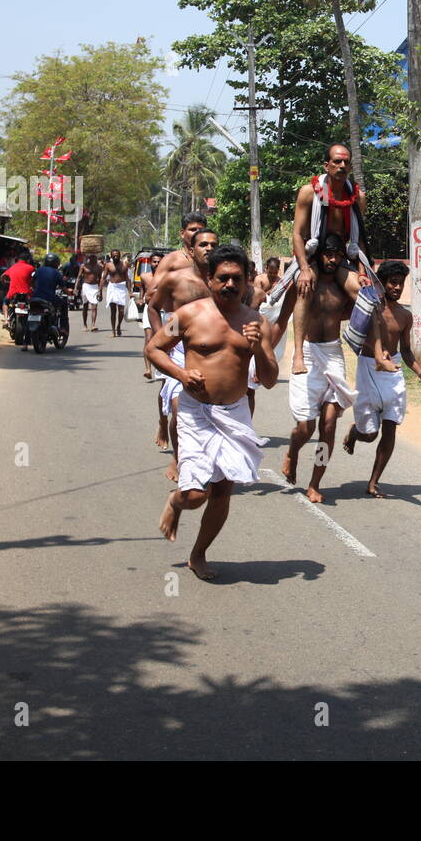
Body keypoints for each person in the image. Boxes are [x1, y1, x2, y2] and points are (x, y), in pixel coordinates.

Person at [146, 244, 278, 581]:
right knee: (196, 494)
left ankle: (198, 554)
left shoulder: (255, 322)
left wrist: (257, 349)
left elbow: (271, 378)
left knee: (222, 490)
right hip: (195, 412)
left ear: (247, 281)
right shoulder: (188, 315)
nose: (230, 285)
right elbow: (155, 349)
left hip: (234, 414)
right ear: (210, 278)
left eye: (237, 279)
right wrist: (180, 374)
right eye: (223, 279)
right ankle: (177, 502)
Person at [270, 144, 372, 376]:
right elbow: (297, 234)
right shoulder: (309, 192)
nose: (342, 166)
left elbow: (360, 239)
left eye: (346, 162)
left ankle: (368, 351)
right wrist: (304, 268)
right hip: (312, 255)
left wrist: (363, 270)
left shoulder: (357, 197)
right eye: (337, 161)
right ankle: (296, 355)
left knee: (366, 295)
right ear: (326, 165)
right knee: (300, 292)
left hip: (341, 256)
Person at [342, 260, 421, 497]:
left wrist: (420, 370)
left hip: (393, 371)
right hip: (369, 368)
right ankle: (355, 433)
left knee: (391, 427)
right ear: (382, 283)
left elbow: (406, 351)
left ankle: (374, 481)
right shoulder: (369, 306)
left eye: (401, 283)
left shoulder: (405, 316)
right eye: (393, 282)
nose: (397, 288)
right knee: (370, 434)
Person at [282, 232, 358, 504]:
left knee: (328, 425)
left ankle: (315, 483)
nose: (332, 259)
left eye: (337, 255)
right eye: (328, 254)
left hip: (333, 352)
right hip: (308, 352)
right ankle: (293, 450)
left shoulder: (342, 285)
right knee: (306, 428)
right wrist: (298, 355)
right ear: (319, 254)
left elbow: (354, 308)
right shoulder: (308, 281)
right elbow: (297, 314)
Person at [145, 223, 218, 473]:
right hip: (177, 344)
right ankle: (177, 456)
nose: (209, 249)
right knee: (177, 405)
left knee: (209, 407)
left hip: (211, 350)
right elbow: (152, 305)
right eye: (203, 244)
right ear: (191, 249)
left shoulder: (223, 280)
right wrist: (160, 340)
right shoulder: (175, 276)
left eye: (213, 245)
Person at [31, 252, 69, 335]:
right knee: (64, 303)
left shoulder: (39, 270)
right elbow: (64, 289)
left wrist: (34, 290)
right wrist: (70, 292)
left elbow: (32, 283)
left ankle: (25, 344)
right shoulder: (57, 273)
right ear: (56, 263)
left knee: (30, 314)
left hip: (34, 298)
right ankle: (63, 328)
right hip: (49, 299)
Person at [139, 253, 163, 380]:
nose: (157, 264)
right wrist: (140, 299)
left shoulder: (168, 277)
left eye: (159, 262)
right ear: (150, 263)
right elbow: (143, 289)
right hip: (149, 310)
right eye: (154, 262)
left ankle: (165, 368)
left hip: (166, 311)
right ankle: (148, 369)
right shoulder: (144, 276)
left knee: (170, 339)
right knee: (148, 339)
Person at [0, 250, 35, 327]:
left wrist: (4, 281)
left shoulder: (13, 267)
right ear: (27, 260)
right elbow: (34, 279)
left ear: (18, 259)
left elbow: (2, 276)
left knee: (5, 302)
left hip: (13, 293)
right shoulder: (31, 268)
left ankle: (6, 319)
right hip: (27, 294)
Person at [101, 249, 131, 336]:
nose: (115, 256)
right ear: (111, 256)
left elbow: (127, 279)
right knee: (113, 311)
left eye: (117, 255)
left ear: (119, 255)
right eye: (114, 255)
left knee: (121, 311)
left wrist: (130, 292)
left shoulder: (124, 265)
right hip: (112, 287)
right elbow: (103, 278)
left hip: (121, 288)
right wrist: (100, 291)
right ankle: (113, 331)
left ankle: (118, 326)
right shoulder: (108, 265)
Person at [77, 254, 102, 331]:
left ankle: (93, 325)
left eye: (95, 257)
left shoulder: (99, 267)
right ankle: (84, 325)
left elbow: (101, 279)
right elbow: (79, 277)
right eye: (92, 257)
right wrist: (75, 287)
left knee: (94, 307)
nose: (93, 258)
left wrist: (100, 291)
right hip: (86, 286)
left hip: (94, 287)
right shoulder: (83, 266)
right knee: (85, 306)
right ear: (89, 258)